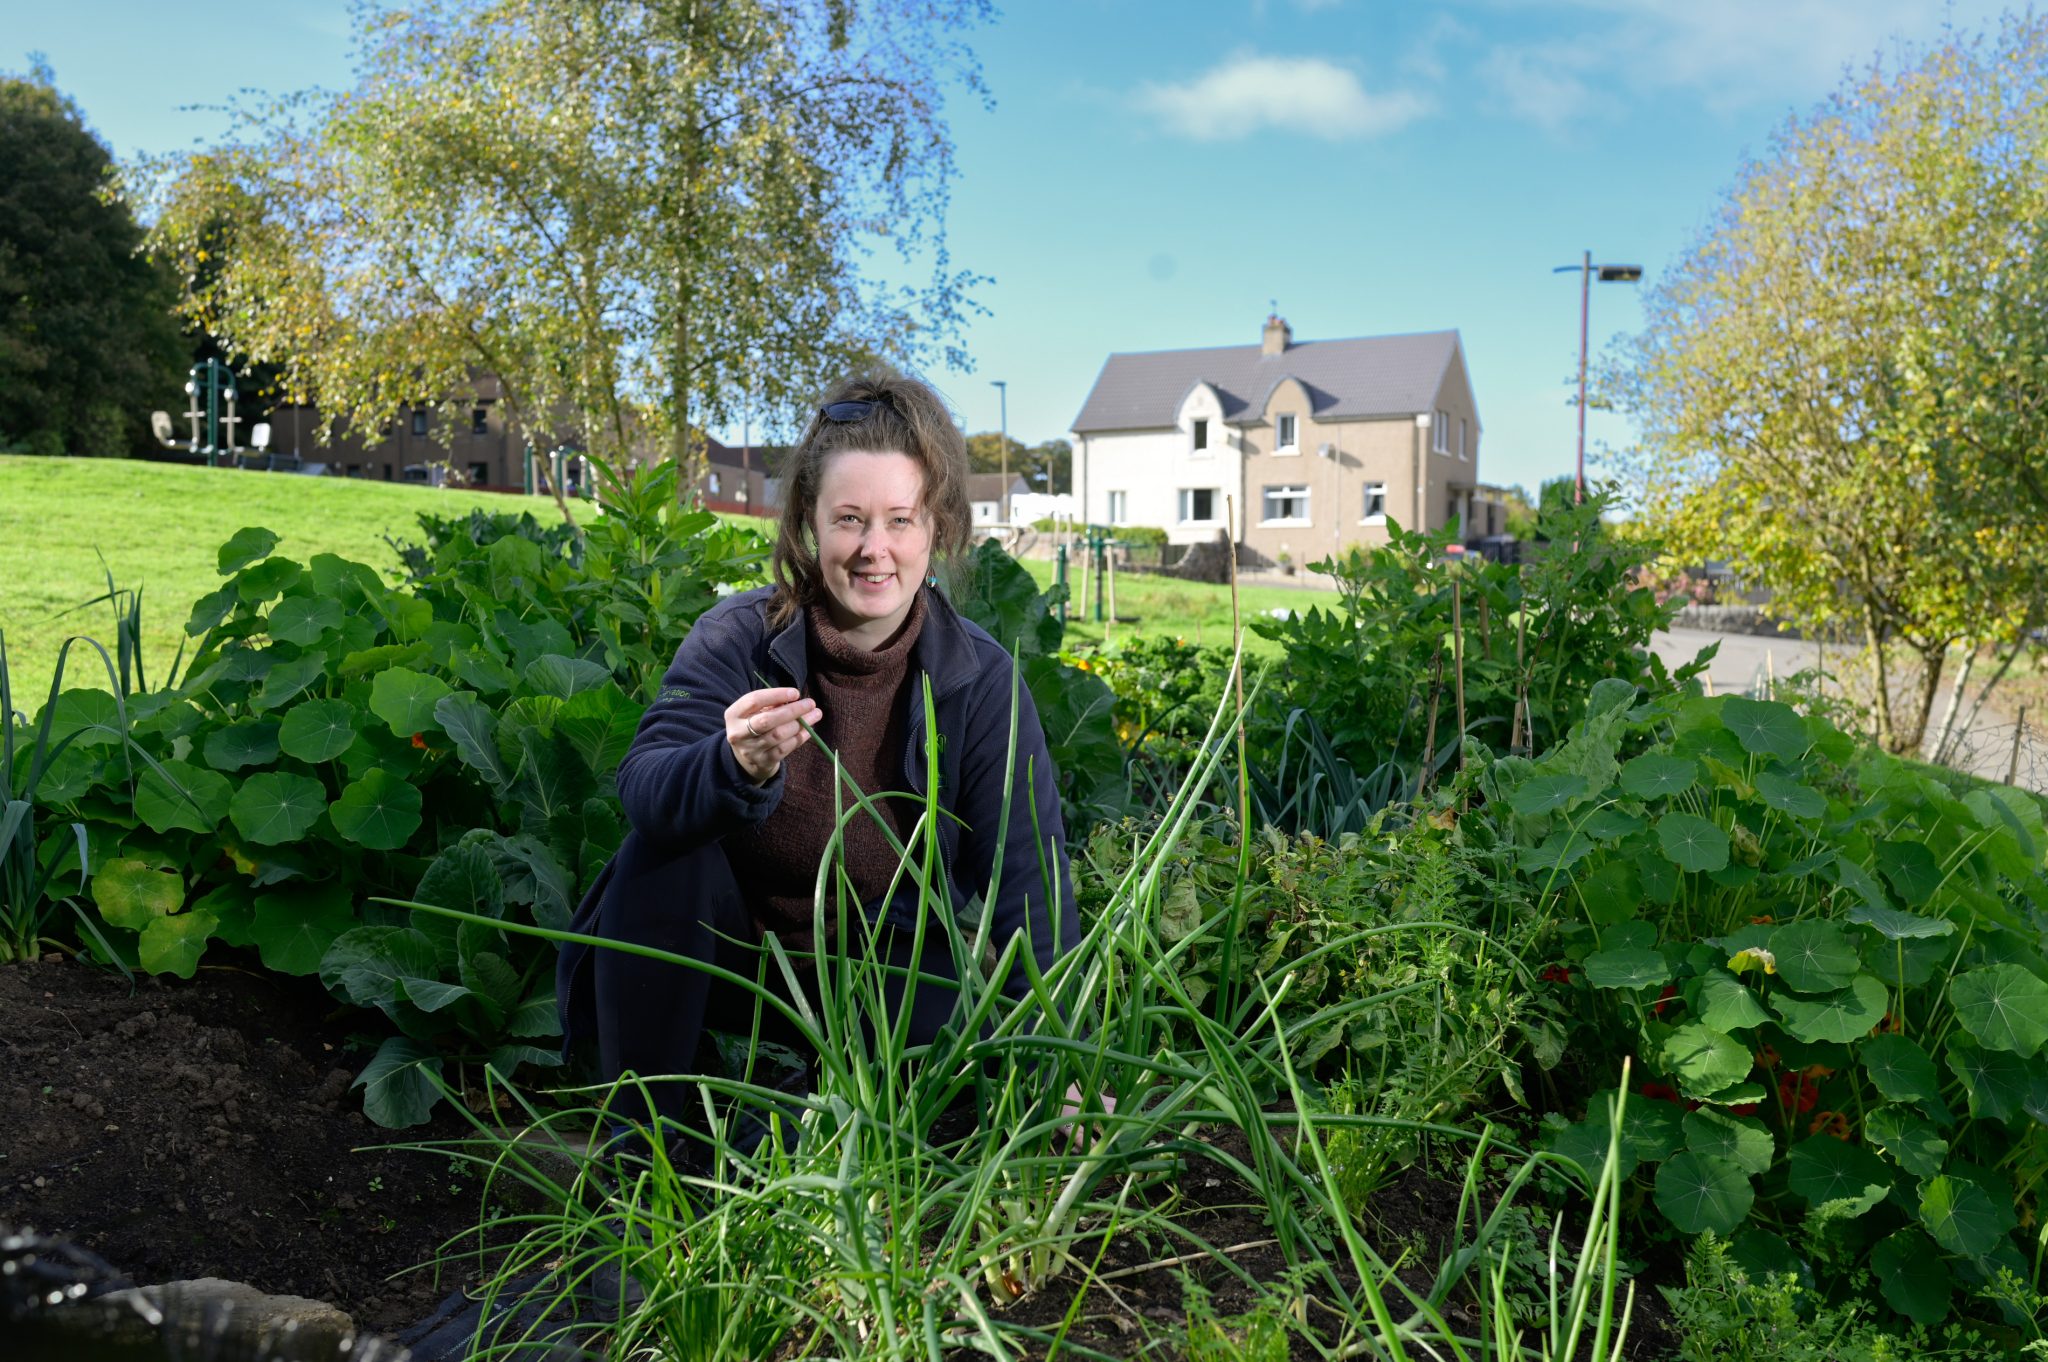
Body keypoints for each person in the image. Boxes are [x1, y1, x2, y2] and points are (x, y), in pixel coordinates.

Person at [556, 373, 1077, 1147]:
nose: (874, 550)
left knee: (934, 1085)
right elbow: (645, 787)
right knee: (663, 852)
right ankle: (641, 1148)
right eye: (850, 520)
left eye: (900, 520)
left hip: (880, 973)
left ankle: (811, 1119)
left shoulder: (980, 680)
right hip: (734, 966)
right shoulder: (738, 639)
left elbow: (1031, 877)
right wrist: (730, 765)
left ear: (935, 527)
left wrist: (1065, 1058)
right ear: (809, 522)